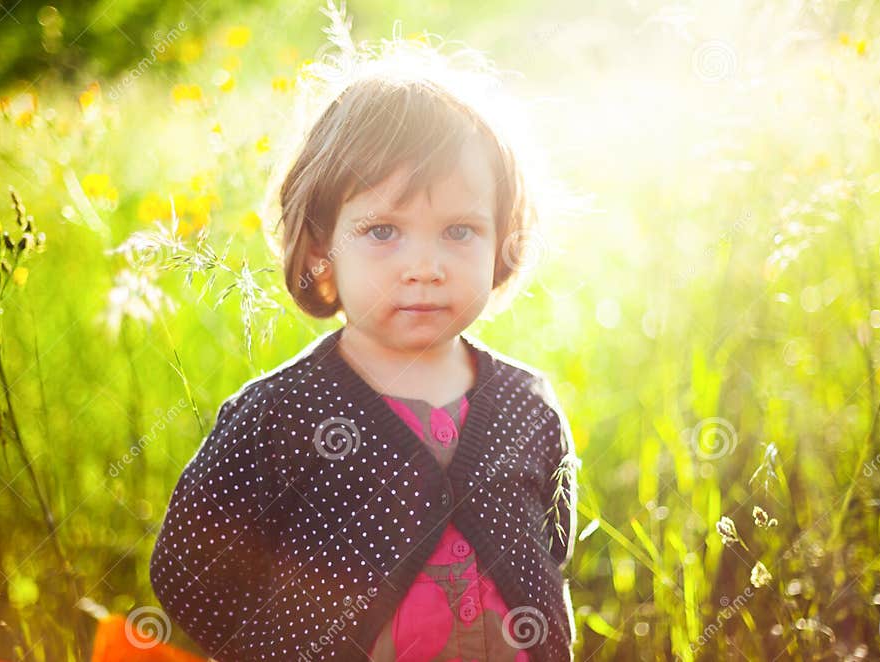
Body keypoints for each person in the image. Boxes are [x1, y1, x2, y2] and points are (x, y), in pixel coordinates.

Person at [150, 32, 581, 662]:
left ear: (501, 243)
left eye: (460, 230)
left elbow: (551, 545)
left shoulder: (526, 404)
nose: (425, 266)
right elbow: (190, 571)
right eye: (383, 231)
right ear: (322, 249)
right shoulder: (280, 416)